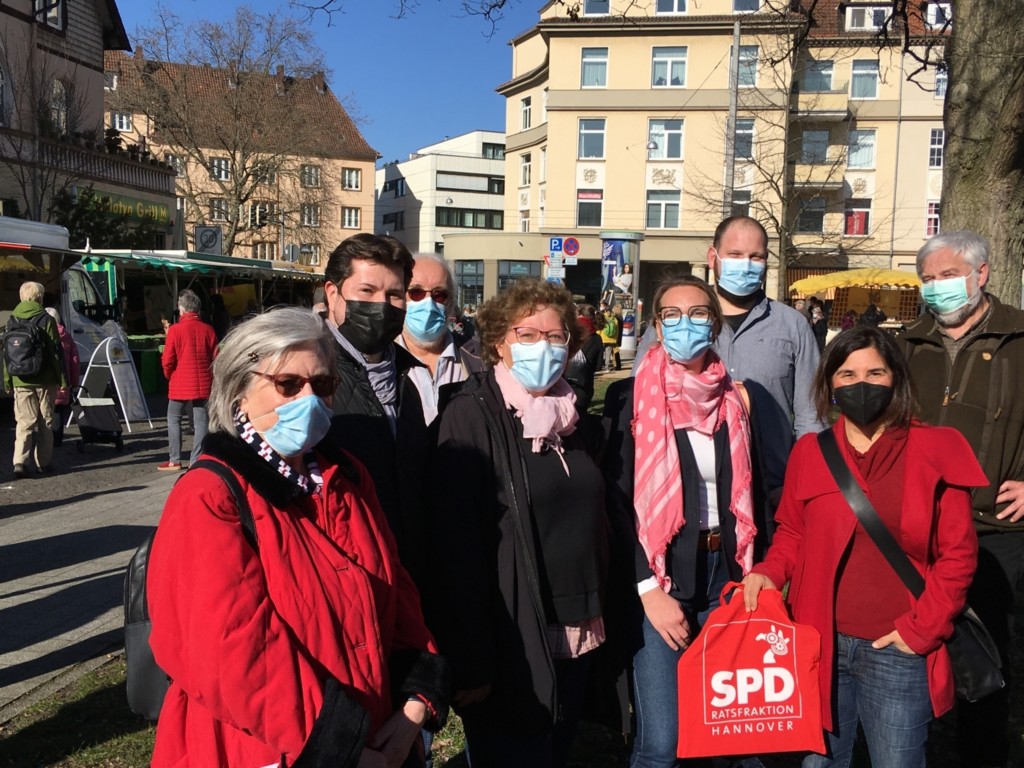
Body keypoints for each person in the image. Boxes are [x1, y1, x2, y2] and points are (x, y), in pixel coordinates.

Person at [147, 307, 450, 767]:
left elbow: (395, 591)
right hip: (266, 749)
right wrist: (343, 749)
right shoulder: (209, 495)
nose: (309, 398)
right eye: (288, 384)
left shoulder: (346, 478)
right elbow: (232, 653)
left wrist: (416, 697)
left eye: (322, 385)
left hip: (372, 732)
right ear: (240, 390)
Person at [742, 326, 986, 767]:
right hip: (818, 642)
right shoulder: (810, 452)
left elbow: (958, 555)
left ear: (897, 379)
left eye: (875, 373)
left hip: (898, 646)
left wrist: (921, 630)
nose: (861, 384)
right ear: (830, 384)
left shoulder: (936, 448)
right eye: (848, 374)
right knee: (819, 762)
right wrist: (769, 571)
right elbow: (793, 533)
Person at [430, 279, 610, 768]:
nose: (543, 347)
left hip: (579, 623)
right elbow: (458, 546)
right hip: (513, 633)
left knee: (555, 751)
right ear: (498, 343)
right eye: (527, 335)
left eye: (555, 337)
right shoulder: (472, 415)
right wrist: (472, 655)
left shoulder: (573, 418)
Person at [603, 274, 755, 768]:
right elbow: (614, 502)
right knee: (661, 742)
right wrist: (648, 589)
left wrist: (757, 572)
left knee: (724, 733)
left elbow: (758, 490)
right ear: (656, 324)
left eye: (698, 314)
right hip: (659, 576)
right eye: (672, 315)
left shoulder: (736, 398)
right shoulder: (628, 398)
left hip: (726, 576)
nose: (685, 324)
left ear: (715, 324)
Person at [898, 230, 1024, 768]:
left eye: (948, 275)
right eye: (927, 279)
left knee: (989, 654)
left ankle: (984, 753)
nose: (936, 287)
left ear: (982, 274)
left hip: (995, 529)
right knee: (911, 647)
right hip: (917, 525)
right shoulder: (908, 343)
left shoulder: (1019, 336)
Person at [322, 233, 433, 586]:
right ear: (333, 294)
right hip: (343, 576)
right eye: (366, 291)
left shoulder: (410, 376)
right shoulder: (306, 379)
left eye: (394, 295)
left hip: (407, 572)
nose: (381, 306)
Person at [397, 253, 483, 425]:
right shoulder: (381, 360)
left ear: (450, 302)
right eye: (416, 293)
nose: (428, 304)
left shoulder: (479, 358)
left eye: (439, 295)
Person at [3, 281, 65, 478]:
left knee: (24, 422)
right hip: (45, 378)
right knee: (45, 421)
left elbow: (7, 355)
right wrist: (63, 380)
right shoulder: (46, 319)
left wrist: (8, 380)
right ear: (40, 297)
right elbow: (56, 353)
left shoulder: (12, 319)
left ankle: (19, 462)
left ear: (22, 296)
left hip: (20, 379)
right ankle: (43, 463)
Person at [159, 289, 218, 471]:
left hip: (180, 382)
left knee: (173, 419)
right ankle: (196, 458)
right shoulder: (209, 330)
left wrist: (169, 375)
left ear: (182, 309)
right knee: (201, 422)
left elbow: (167, 359)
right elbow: (216, 358)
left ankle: (174, 459)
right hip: (204, 383)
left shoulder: (175, 330)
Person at [45, 307, 80, 448]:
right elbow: (75, 361)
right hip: (62, 380)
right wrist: (74, 383)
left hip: (46, 380)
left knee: (44, 410)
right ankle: (57, 441)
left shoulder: (41, 333)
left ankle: (45, 439)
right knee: (58, 411)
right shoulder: (66, 336)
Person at [565, 303, 604, 413]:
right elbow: (598, 366)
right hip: (584, 385)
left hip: (564, 383)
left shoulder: (569, 333)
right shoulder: (596, 339)